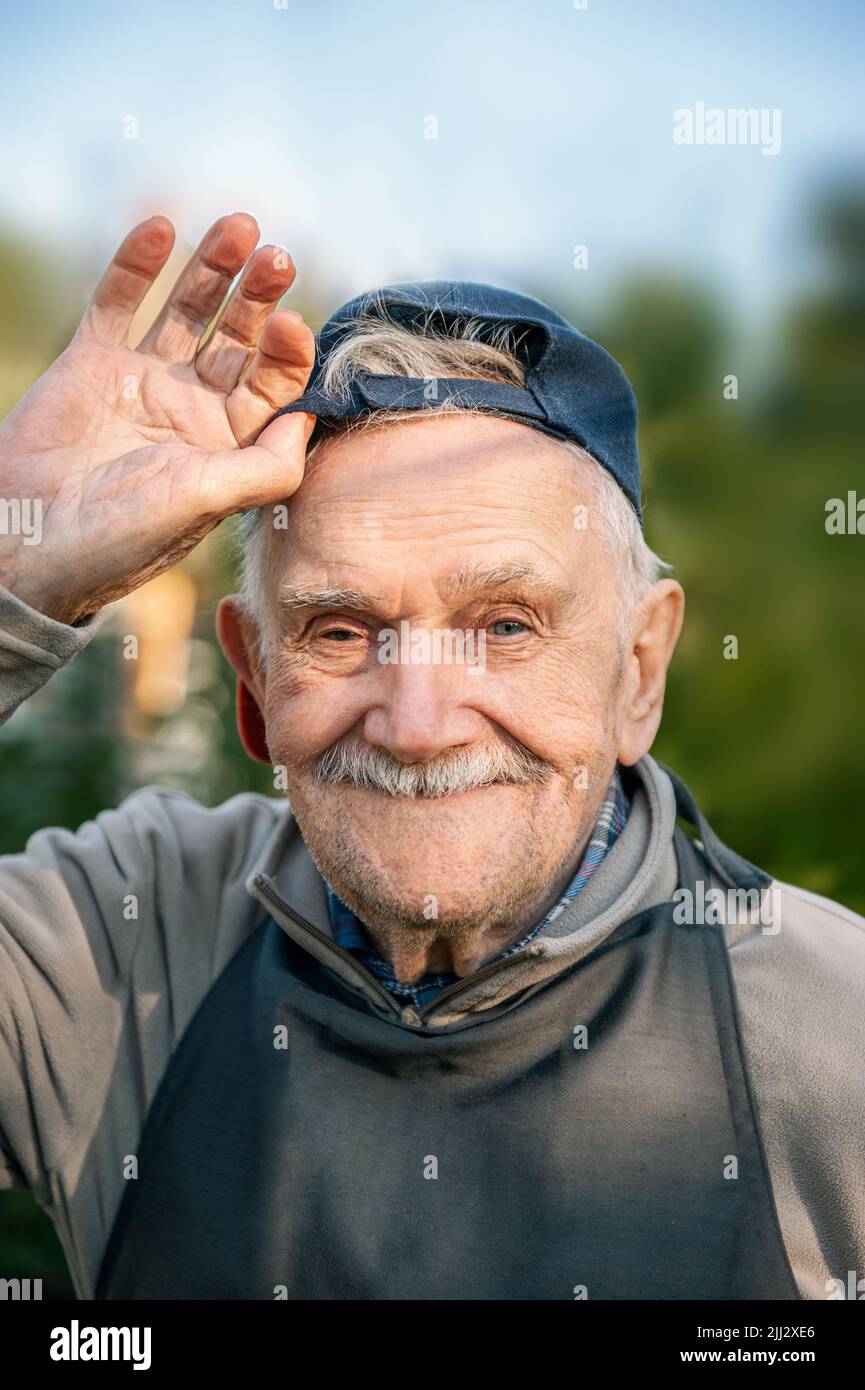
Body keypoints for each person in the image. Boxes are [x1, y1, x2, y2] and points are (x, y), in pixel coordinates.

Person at [0, 213, 862, 1301]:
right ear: (255, 684)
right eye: (340, 629)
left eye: (505, 625)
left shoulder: (835, 1036)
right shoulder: (121, 944)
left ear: (638, 670)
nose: (417, 723)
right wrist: (15, 574)